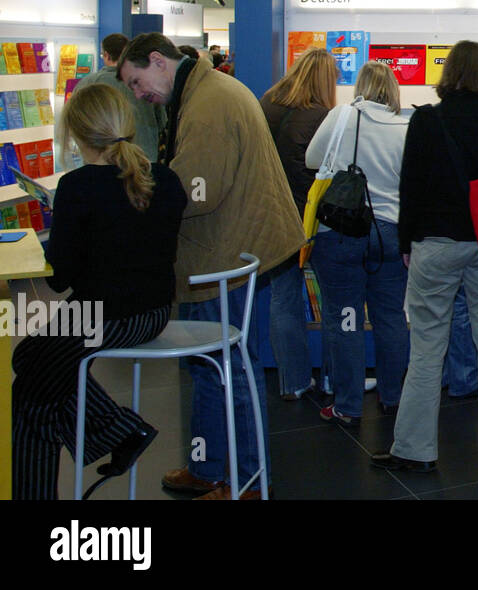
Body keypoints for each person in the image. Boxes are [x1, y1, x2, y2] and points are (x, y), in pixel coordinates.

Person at [118, 32, 302, 499]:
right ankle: (210, 467)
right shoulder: (206, 91)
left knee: (227, 368)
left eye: (138, 82)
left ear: (158, 61)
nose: (139, 94)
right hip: (225, 248)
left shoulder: (208, 104)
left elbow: (196, 191)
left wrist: (138, 197)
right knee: (214, 367)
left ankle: (245, 480)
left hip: (225, 253)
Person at [11, 84, 186, 499]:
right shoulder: (164, 177)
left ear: (75, 134)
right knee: (29, 359)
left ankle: (119, 432)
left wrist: (60, 226)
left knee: (33, 388)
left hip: (101, 316)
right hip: (155, 310)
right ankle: (120, 429)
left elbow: (60, 277)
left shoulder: (77, 186)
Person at [375, 41, 478, 472]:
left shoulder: (426, 119)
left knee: (427, 348)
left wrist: (406, 243)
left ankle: (414, 449)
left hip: (435, 243)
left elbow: (411, 188)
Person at [304, 61, 411, 426]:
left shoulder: (341, 116)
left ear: (361, 86)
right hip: (390, 234)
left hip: (342, 231)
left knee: (345, 319)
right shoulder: (405, 127)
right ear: (393, 90)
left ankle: (348, 406)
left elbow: (312, 159)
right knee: (391, 318)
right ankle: (393, 398)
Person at [259, 47, 337, 402]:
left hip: (273, 217)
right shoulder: (323, 116)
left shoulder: (267, 106)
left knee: (283, 299)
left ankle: (293, 382)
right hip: (312, 218)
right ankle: (335, 381)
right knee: (335, 299)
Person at [81, 32, 166, 162]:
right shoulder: (149, 82)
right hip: (145, 158)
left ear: (106, 55)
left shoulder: (87, 84)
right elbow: (162, 122)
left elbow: (77, 124)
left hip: (101, 162)